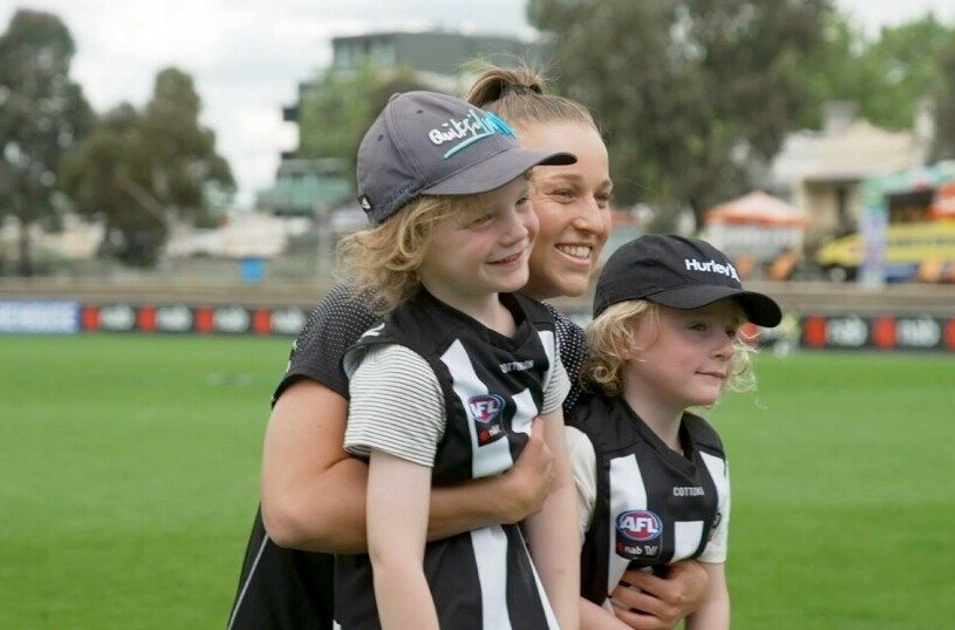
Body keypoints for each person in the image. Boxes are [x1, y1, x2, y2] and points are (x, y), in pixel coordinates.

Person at [229, 66, 709, 630]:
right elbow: (296, 510)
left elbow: (616, 485)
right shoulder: (370, 311)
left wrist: (692, 575)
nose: (593, 220)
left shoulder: (559, 346)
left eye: (602, 197)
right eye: (563, 193)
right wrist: (497, 499)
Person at [332, 89, 580, 629]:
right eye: (481, 219)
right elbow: (392, 556)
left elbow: (555, 488)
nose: (517, 230)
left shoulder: (539, 335)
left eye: (520, 201)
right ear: (411, 239)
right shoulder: (404, 367)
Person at [567, 234, 784, 629]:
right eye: (699, 326)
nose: (725, 348)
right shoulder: (582, 447)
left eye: (731, 331)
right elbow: (543, 589)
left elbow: (712, 593)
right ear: (623, 334)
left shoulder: (708, 454)